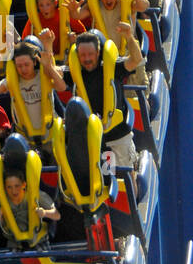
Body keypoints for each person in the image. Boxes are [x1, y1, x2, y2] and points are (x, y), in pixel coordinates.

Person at [59, 27, 144, 171]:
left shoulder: (112, 66)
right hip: (97, 138)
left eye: (90, 54)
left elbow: (136, 60)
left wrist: (129, 36)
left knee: (125, 172)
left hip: (117, 135)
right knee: (108, 176)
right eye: (82, 55)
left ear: (98, 53)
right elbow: (55, 75)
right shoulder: (76, 71)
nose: (86, 59)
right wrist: (48, 48)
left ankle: (133, 191)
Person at [0, 168, 59, 251]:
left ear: (24, 184)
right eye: (9, 187)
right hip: (15, 244)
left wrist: (45, 213)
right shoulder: (3, 201)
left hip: (38, 242)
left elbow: (57, 215)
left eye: (17, 186)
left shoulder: (36, 195)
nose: (14, 191)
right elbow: (4, 226)